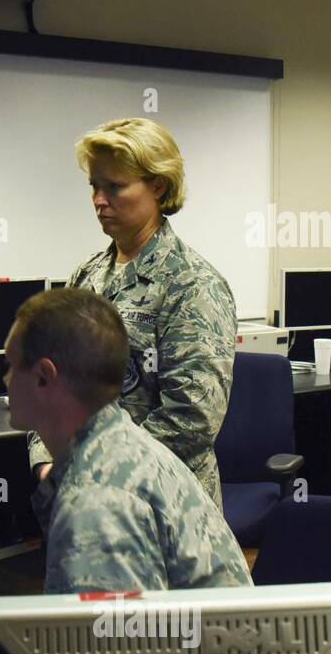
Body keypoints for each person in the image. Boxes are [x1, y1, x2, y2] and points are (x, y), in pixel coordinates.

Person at [29, 118, 237, 509]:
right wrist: (45, 461)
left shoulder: (192, 285)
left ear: (157, 185)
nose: (98, 200)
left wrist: (97, 473)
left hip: (162, 509)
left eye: (114, 186)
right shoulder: (86, 275)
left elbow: (191, 419)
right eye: (94, 185)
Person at [5, 287, 251, 593]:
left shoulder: (98, 499)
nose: (6, 380)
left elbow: (119, 638)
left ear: (44, 376)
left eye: (13, 366)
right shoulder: (122, 444)